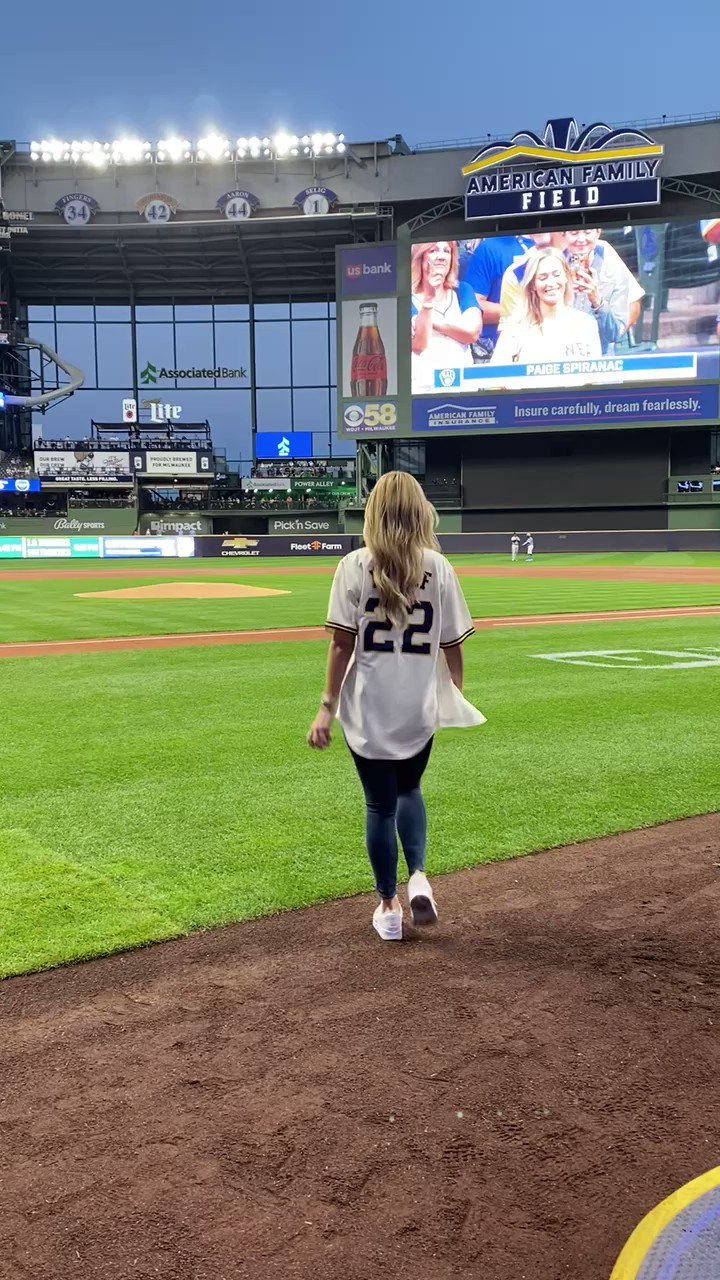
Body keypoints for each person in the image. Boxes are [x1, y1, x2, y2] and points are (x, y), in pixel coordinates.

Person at [307, 472, 485, 942]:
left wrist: (326, 707)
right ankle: (420, 875)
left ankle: (388, 906)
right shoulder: (439, 567)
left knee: (378, 806)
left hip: (368, 705)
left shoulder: (353, 565)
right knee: (410, 791)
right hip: (417, 706)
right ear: (421, 511)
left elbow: (341, 647)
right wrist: (454, 696)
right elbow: (453, 646)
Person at [491, 248, 602, 365]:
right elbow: (496, 376)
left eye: (556, 274)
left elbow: (595, 376)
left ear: (566, 276)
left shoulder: (586, 324)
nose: (551, 283)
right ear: (533, 284)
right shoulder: (514, 329)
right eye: (543, 277)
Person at [462, 234, 554, 352]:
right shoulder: (491, 247)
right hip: (502, 348)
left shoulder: (568, 242)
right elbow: (472, 308)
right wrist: (530, 310)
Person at [411, 242, 482, 393]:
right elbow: (419, 344)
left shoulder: (462, 290)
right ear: (420, 257)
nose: (442, 257)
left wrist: (430, 321)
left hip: (463, 387)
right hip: (423, 388)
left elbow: (471, 333)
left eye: (447, 251)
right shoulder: (407, 298)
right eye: (433, 251)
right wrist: (428, 301)